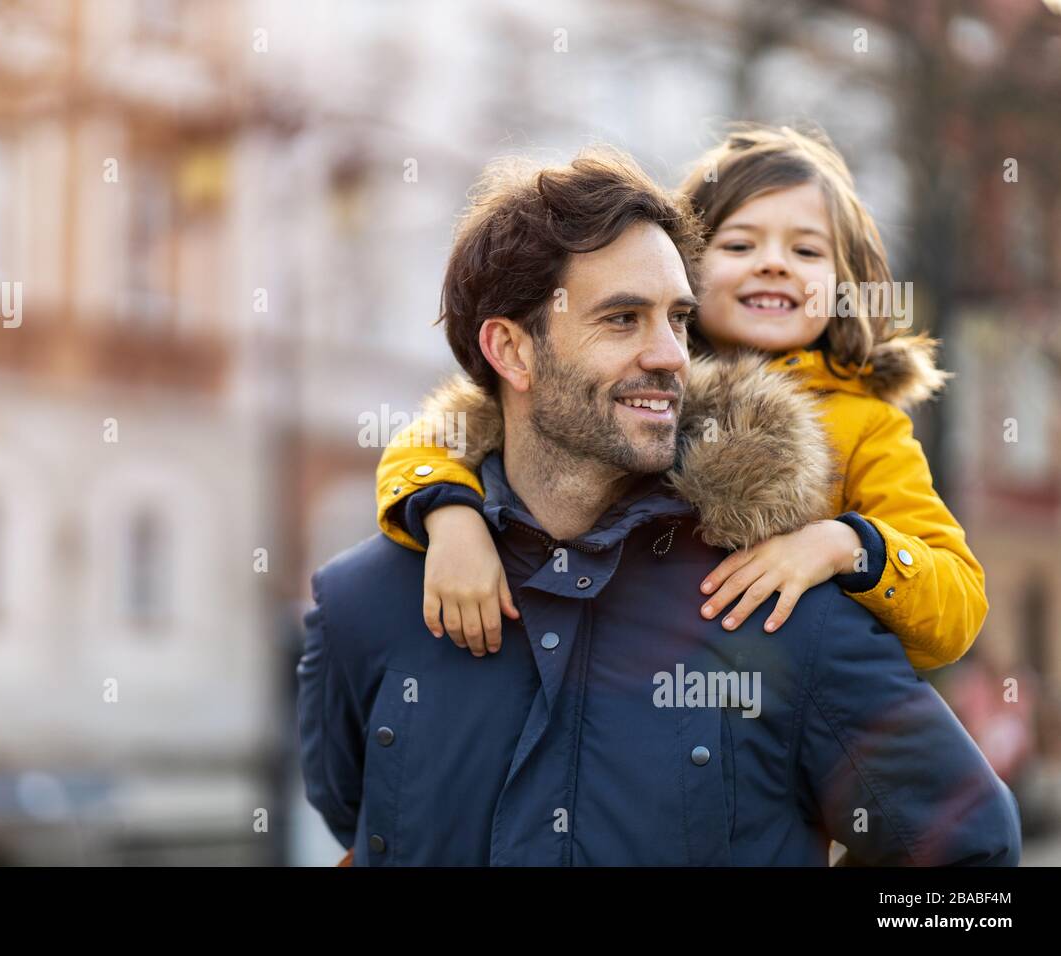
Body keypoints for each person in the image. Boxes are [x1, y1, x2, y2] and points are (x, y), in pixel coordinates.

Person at [296, 145, 1019, 865]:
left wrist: (850, 545)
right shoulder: (366, 603)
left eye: (676, 319)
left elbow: (969, 854)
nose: (669, 353)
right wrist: (448, 514)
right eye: (622, 318)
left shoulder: (786, 605)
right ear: (509, 353)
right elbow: (363, 817)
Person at [375, 126, 985, 673]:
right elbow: (439, 437)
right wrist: (451, 517)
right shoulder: (633, 385)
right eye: (741, 245)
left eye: (806, 251)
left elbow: (956, 607)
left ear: (845, 281)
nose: (773, 265)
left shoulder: (866, 424)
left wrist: (847, 545)